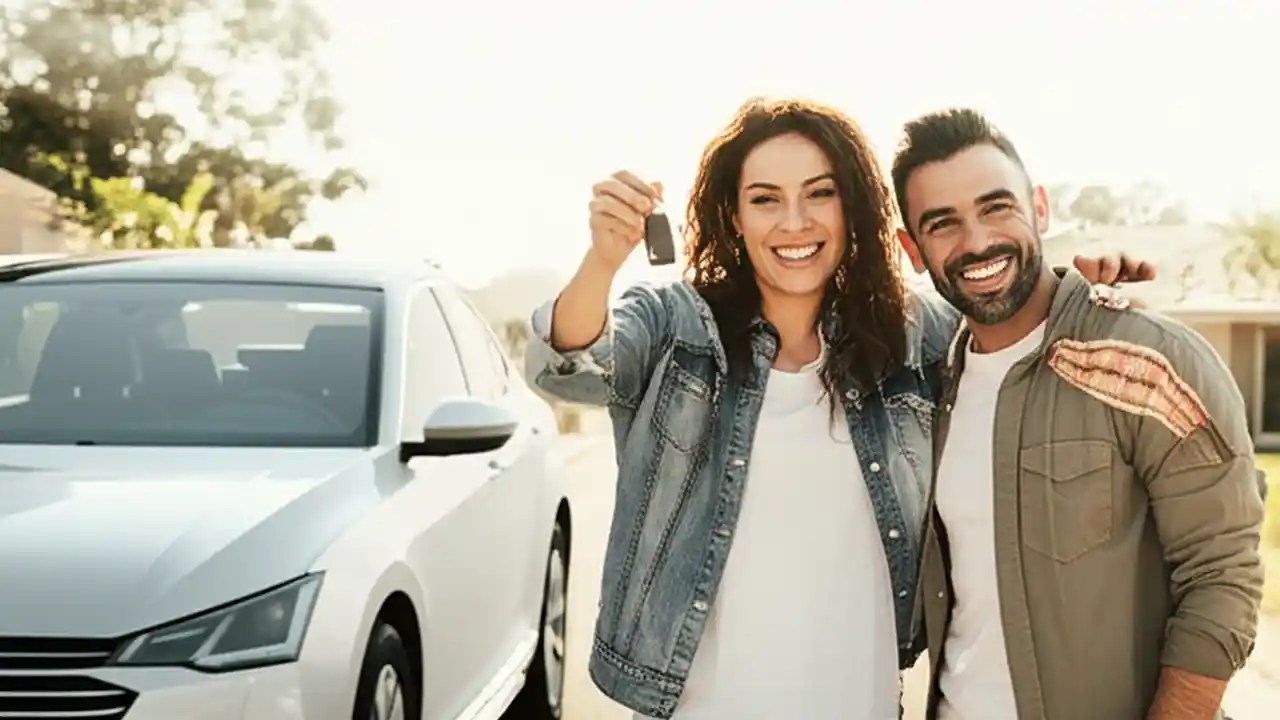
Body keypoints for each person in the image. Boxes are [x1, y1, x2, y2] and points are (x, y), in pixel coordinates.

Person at [524, 97, 1154, 720]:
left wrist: (1089, 289)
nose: (795, 222)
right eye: (766, 199)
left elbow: (1014, 327)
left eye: (819, 194)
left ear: (851, 209)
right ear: (734, 216)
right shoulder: (678, 326)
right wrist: (603, 260)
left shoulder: (915, 335)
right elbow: (569, 367)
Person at [892, 108, 1266, 720]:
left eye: (996, 207)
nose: (977, 241)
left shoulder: (1145, 359)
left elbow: (1223, 577)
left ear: (1039, 207)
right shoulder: (931, 388)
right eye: (943, 224)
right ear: (912, 249)